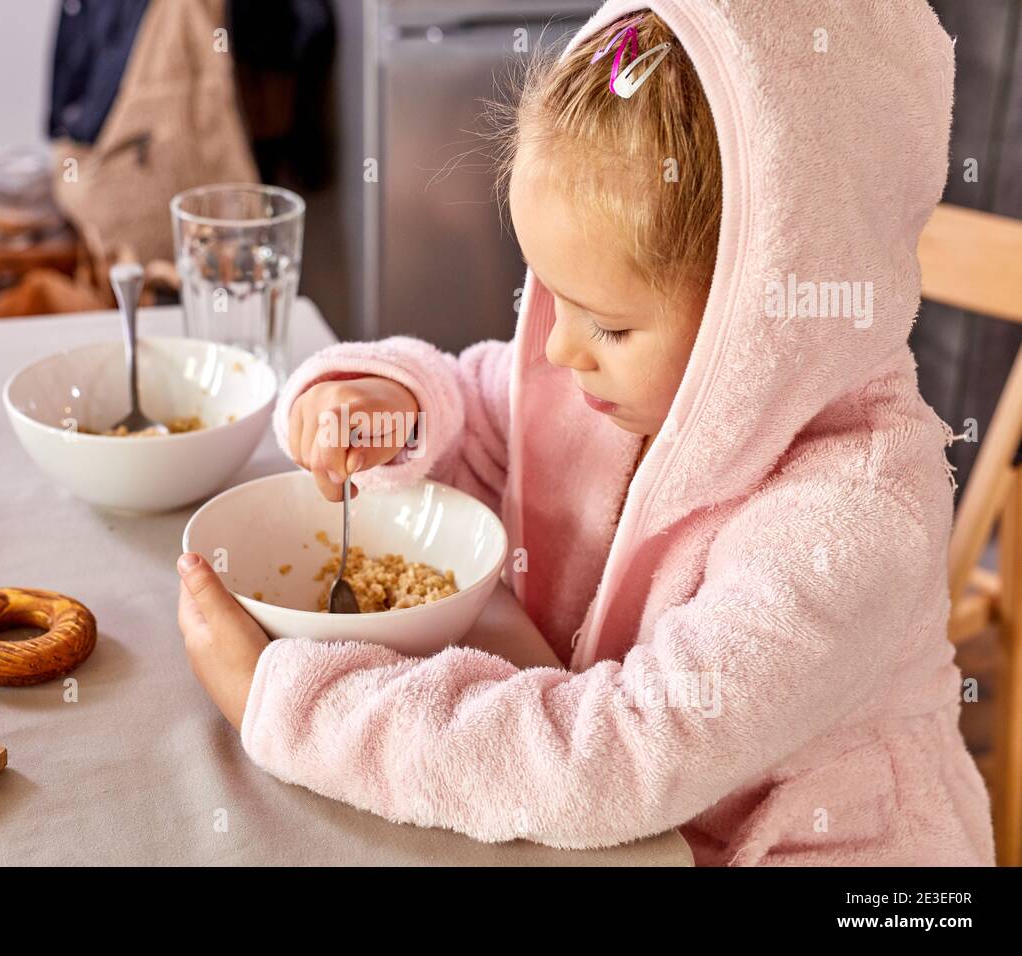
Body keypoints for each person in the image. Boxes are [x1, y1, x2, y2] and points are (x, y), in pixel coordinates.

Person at [177, 1, 994, 865]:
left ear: (755, 327)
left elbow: (614, 757)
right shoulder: (610, 385)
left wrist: (292, 703)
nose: (560, 347)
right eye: (552, 294)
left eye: (606, 323)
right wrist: (382, 400)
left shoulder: (852, 520)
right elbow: (480, 409)